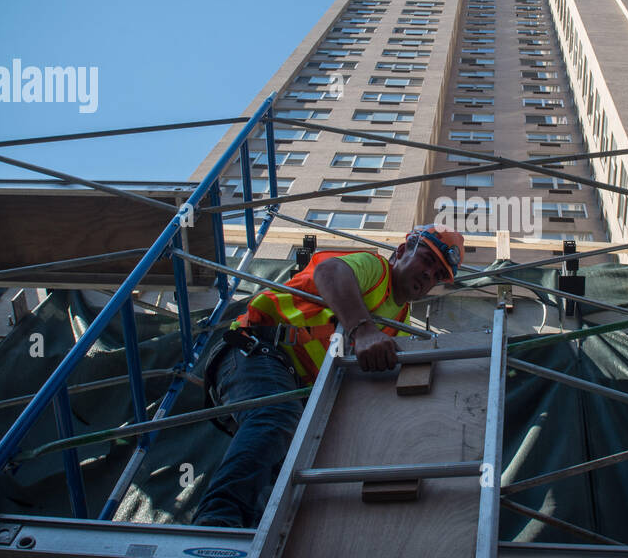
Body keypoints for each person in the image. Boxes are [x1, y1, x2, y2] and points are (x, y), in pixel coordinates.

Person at [191, 224, 465, 527]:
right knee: (276, 415)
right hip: (253, 351)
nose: (429, 275)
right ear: (401, 252)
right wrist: (363, 329)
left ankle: (244, 535)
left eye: (439, 274)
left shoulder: (399, 321)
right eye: (427, 260)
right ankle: (215, 522)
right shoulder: (374, 269)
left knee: (291, 460)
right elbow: (330, 272)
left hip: (294, 384)